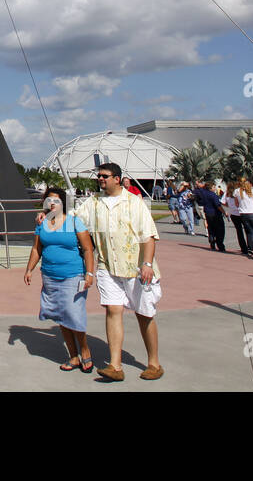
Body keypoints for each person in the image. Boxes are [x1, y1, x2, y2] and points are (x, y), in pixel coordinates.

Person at [75, 162, 164, 381]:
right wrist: (48, 216)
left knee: (144, 315)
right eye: (99, 176)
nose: (100, 179)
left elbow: (148, 236)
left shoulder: (135, 203)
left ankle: (154, 363)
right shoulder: (93, 203)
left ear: (117, 178)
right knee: (113, 311)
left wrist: (148, 264)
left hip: (136, 268)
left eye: (104, 176)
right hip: (107, 266)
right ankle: (115, 366)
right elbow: (73, 219)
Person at [24, 187, 96, 372]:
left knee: (74, 313)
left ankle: (85, 350)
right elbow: (36, 249)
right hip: (50, 275)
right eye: (48, 200)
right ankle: (73, 356)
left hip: (73, 275)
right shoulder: (42, 223)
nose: (52, 204)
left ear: (63, 203)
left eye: (55, 200)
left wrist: (89, 273)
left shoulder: (74, 222)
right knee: (60, 315)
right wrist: (29, 269)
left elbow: (88, 249)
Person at [193, 181, 227, 252]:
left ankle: (212, 240)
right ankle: (220, 245)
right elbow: (218, 205)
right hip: (215, 213)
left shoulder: (204, 194)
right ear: (210, 188)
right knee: (220, 229)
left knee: (211, 228)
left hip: (208, 213)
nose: (215, 188)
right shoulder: (213, 195)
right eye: (214, 187)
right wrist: (224, 212)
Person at [234, 178, 253, 259]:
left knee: (250, 232)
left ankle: (252, 249)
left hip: (243, 213)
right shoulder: (251, 190)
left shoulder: (237, 191)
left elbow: (236, 203)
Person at [223, 182, 248, 255]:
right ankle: (250, 246)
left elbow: (222, 202)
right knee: (247, 230)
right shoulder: (238, 192)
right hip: (241, 212)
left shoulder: (227, 194)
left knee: (239, 231)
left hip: (233, 214)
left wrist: (229, 205)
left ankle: (244, 248)